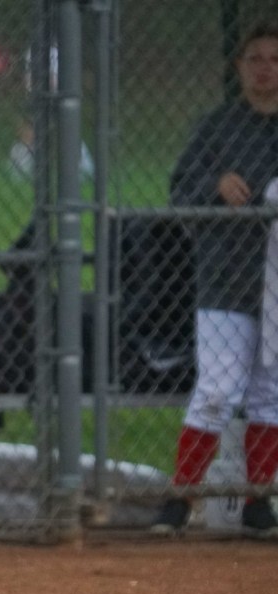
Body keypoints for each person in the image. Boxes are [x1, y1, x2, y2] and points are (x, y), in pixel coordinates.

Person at [151, 21, 278, 535]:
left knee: (270, 393)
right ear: (239, 68)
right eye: (256, 59)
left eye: (274, 59)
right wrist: (214, 184)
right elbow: (180, 189)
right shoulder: (219, 127)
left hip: (277, 286)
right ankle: (181, 498)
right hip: (227, 279)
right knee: (217, 391)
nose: (265, 68)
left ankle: (257, 500)